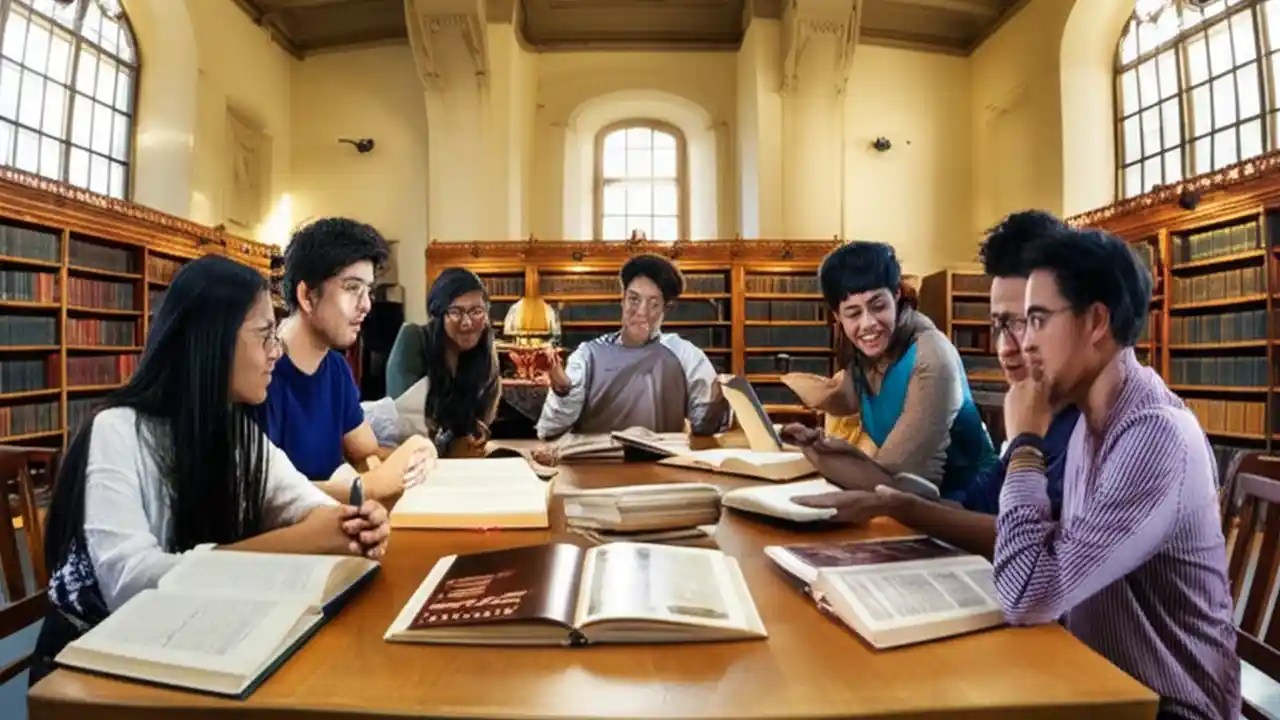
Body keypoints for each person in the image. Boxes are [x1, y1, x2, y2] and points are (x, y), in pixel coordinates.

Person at [30, 255, 413, 685]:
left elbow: (306, 507)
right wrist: (301, 539)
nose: (276, 352)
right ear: (211, 341)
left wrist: (355, 523)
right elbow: (129, 583)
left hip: (187, 647)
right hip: (89, 669)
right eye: (265, 335)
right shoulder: (118, 429)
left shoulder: (236, 433)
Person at [998, 228, 1238, 719]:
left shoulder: (1154, 437)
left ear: (1096, 321)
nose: (1023, 344)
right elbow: (1051, 569)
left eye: (1038, 320)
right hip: (1098, 683)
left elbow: (1026, 594)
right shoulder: (1094, 421)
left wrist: (1024, 442)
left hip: (1169, 708)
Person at [790, 211, 1082, 556]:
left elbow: (1038, 556)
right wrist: (826, 455)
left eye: (1032, 319)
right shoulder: (868, 361)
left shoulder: (932, 355)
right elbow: (986, 511)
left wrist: (900, 506)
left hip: (951, 516)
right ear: (837, 317)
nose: (1008, 349)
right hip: (956, 521)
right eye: (1003, 325)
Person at [782, 241, 997, 501]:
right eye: (853, 313)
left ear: (896, 294)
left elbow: (904, 483)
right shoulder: (866, 354)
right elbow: (840, 397)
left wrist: (824, 456)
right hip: (908, 505)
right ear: (837, 316)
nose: (868, 324)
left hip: (965, 512)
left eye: (878, 306)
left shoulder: (932, 356)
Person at [259, 218, 431, 500]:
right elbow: (264, 496)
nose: (366, 305)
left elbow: (367, 452)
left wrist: (421, 453)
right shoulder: (262, 374)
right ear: (307, 295)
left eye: (369, 291)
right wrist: (366, 488)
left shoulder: (336, 369)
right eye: (352, 288)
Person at [534, 253, 730, 439]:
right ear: (623, 300)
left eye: (653, 303)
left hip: (662, 465)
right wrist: (561, 387)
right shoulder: (589, 354)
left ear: (665, 309)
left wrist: (717, 401)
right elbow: (550, 429)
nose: (641, 312)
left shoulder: (685, 355)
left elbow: (706, 427)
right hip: (596, 465)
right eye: (634, 299)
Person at [373, 267, 501, 457]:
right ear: (439, 314)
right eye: (456, 312)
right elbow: (406, 425)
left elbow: (481, 419)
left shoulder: (484, 350)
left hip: (460, 464)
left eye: (476, 311)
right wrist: (452, 446)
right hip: (402, 458)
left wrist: (473, 436)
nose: (467, 322)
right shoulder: (413, 339)